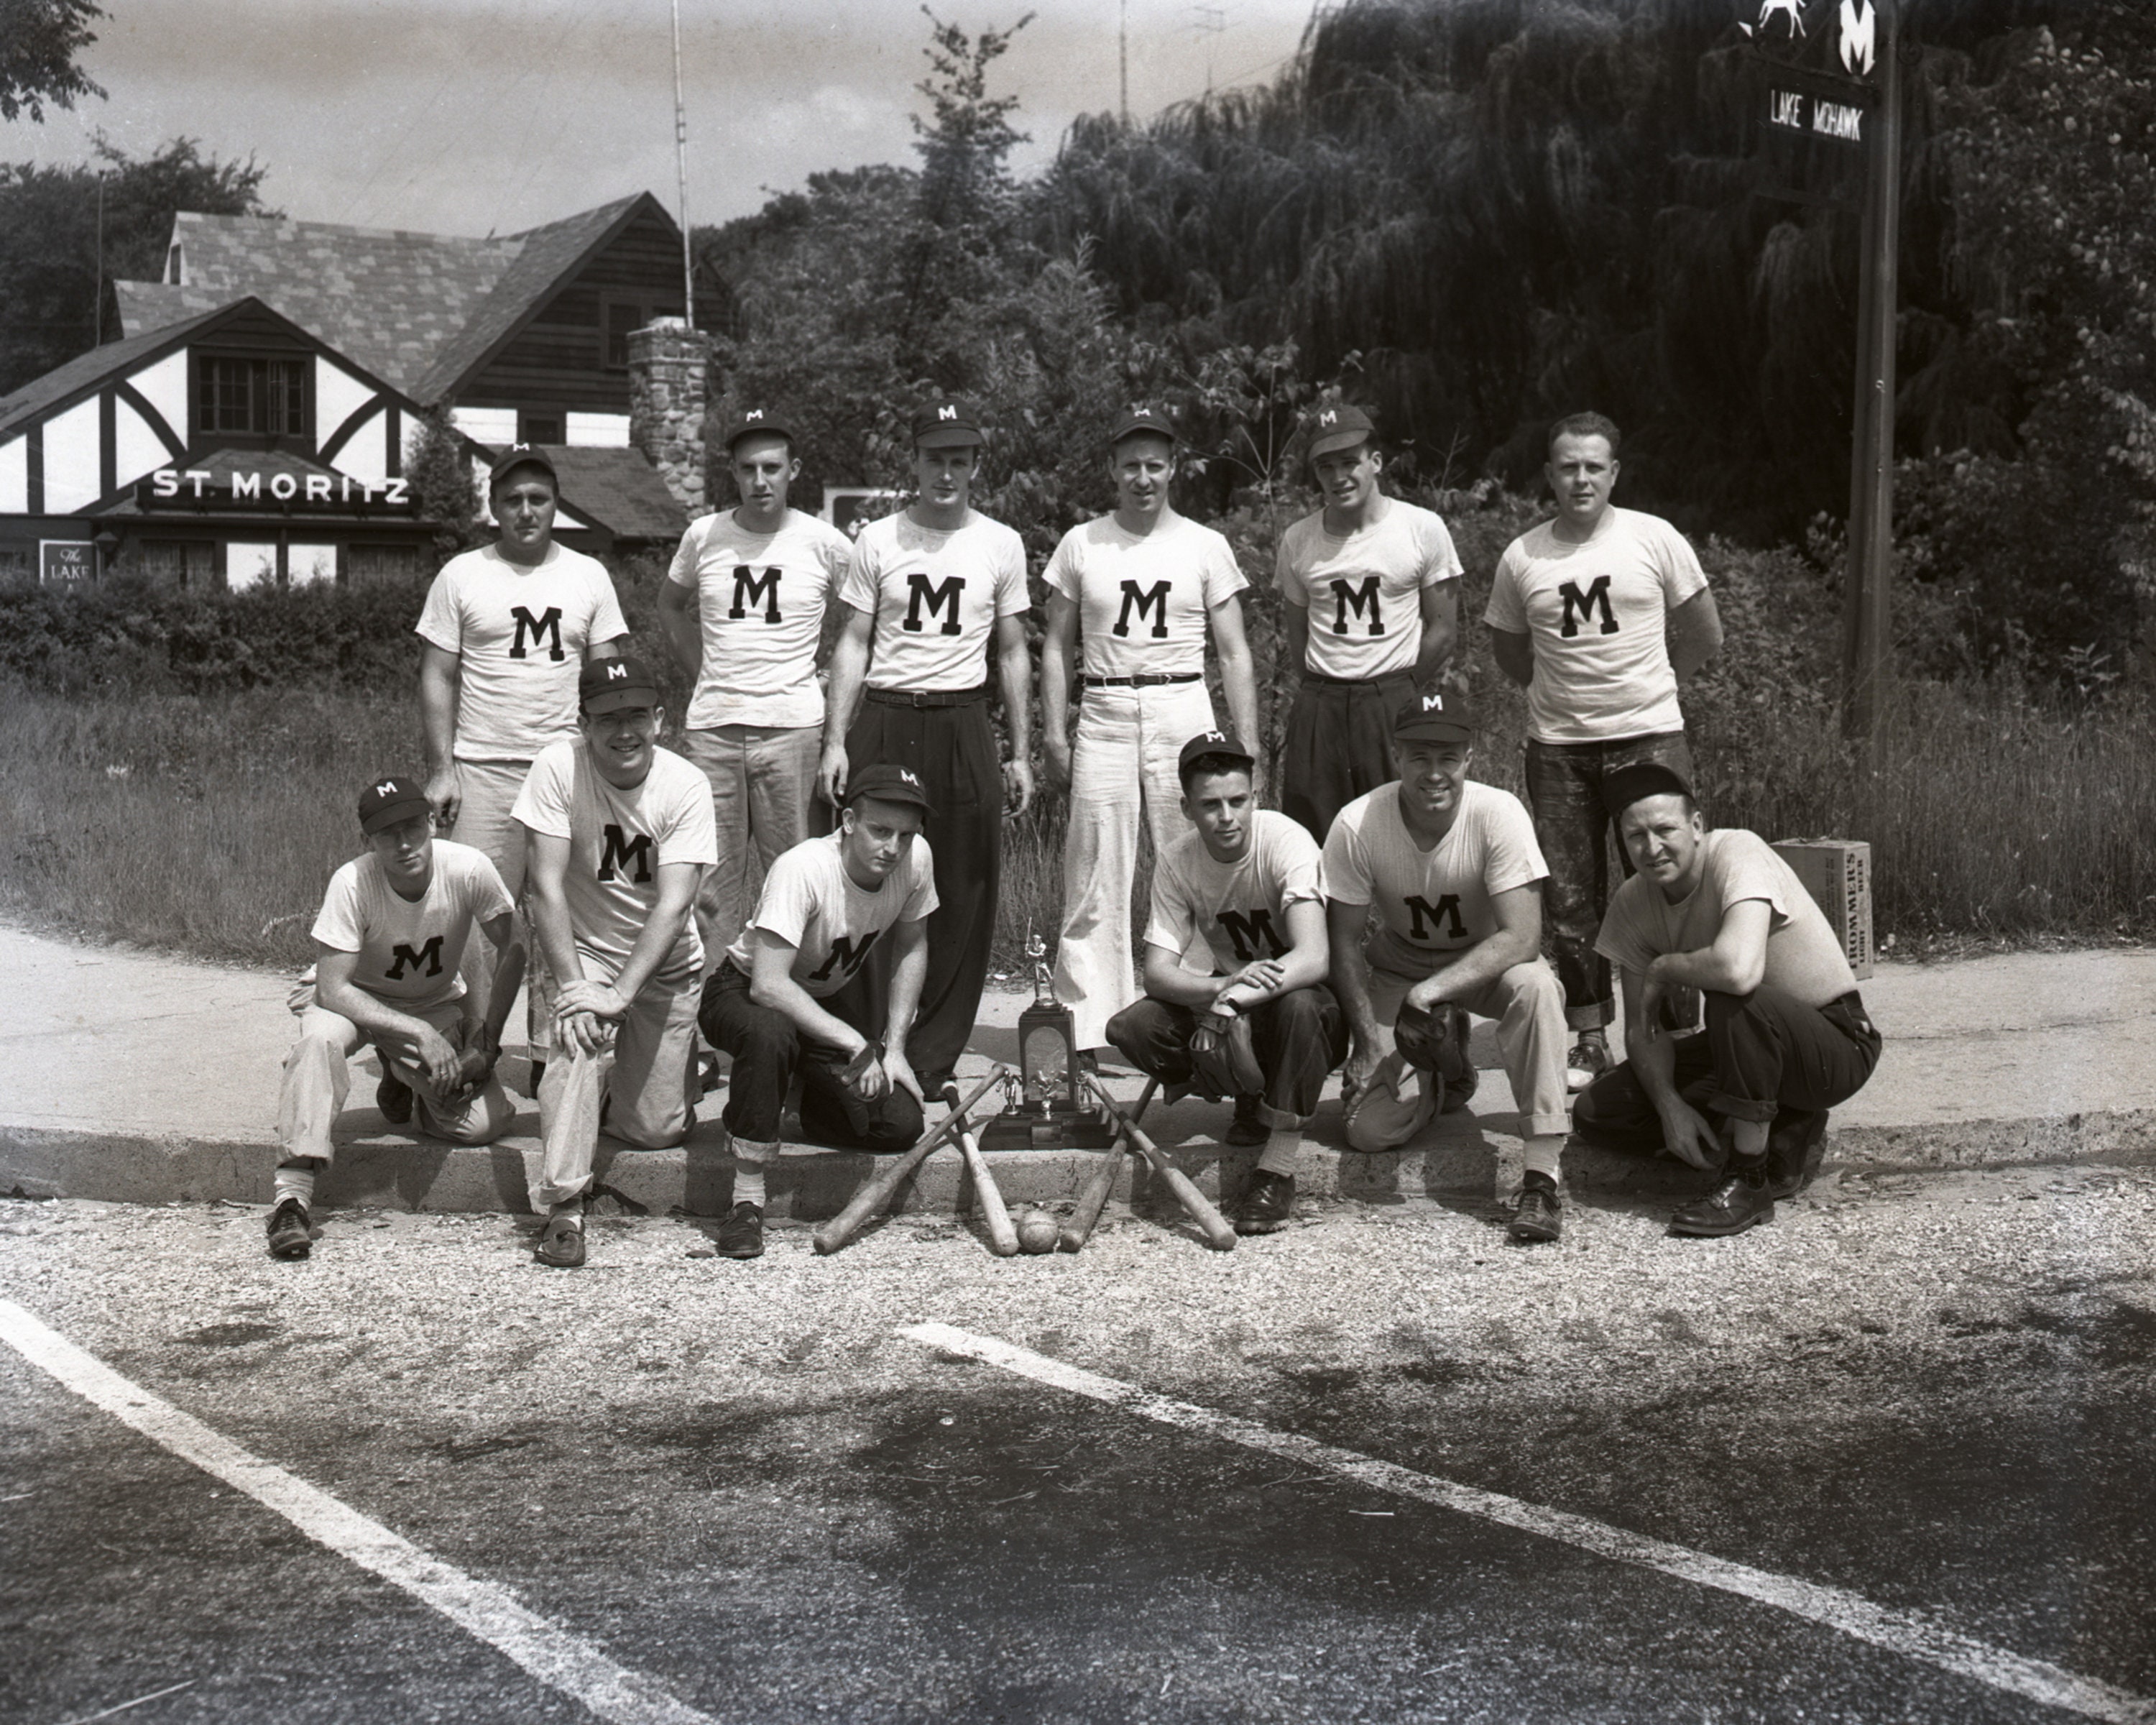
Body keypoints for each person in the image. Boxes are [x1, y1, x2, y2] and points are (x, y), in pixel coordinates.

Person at [1483, 411, 1723, 1095]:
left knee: (1669, 882)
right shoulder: (1523, 556)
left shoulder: (1654, 537)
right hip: (1559, 749)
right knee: (1570, 899)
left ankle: (1682, 1028)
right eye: (1568, 466)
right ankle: (1591, 1035)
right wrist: (1555, 692)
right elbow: (1508, 648)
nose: (1581, 478)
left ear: (1614, 472)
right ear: (1549, 475)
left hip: (1649, 736)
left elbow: (1705, 631)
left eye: (1594, 466)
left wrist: (1655, 685)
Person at [817, 398, 1033, 1094]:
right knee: (866, 877)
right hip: (886, 712)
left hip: (962, 717)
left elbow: (1012, 651)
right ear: (913, 462)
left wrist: (1020, 749)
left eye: (959, 459)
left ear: (975, 466)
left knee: (963, 884)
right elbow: (852, 640)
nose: (947, 472)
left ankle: (932, 1055)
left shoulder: (1000, 542)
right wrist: (834, 741)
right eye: (935, 457)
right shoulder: (878, 539)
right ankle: (860, 1045)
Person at [1575, 763, 1883, 1237]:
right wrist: (1670, 1107)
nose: (1652, 847)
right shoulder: (1632, 902)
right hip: (1746, 1042)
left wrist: (1665, 966)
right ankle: (1775, 1129)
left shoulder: (1737, 851)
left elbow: (1739, 971)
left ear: (1697, 827)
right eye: (1636, 835)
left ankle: (1750, 1178)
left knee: (1732, 998)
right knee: (1599, 1110)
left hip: (1834, 1045)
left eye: (1665, 829)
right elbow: (1642, 1029)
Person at [1040, 405, 1261, 1055]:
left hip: (1181, 706)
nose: (1143, 478)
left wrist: (1243, 746)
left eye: (1155, 465)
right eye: (1130, 465)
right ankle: (1085, 1028)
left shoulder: (1203, 544)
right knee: (1094, 871)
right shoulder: (1083, 542)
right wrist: (1055, 733)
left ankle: (1200, 1012)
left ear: (1173, 469)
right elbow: (1055, 645)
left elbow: (1235, 651)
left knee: (1191, 860)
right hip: (1106, 708)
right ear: (1112, 468)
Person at [1323, 690, 1574, 1245]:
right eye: (1419, 757)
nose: (1434, 773)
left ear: (1469, 759)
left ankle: (1541, 1175)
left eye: (1447, 758)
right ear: (1396, 757)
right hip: (1401, 964)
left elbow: (1523, 937)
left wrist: (1431, 993)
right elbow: (1342, 943)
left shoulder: (1498, 812)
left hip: (1485, 965)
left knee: (1538, 989)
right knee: (1368, 1130)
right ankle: (1445, 1067)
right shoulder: (1358, 822)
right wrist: (1366, 1043)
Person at [417, 444, 628, 1084]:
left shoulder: (588, 574)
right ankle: (463, 1042)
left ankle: (551, 1050)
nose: (526, 511)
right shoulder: (462, 574)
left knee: (564, 908)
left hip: (567, 767)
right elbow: (437, 674)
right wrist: (441, 768)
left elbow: (610, 675)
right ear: (495, 507)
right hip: (484, 765)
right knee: (475, 915)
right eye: (513, 500)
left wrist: (613, 765)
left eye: (538, 499)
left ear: (556, 505)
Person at [267, 775, 524, 1261]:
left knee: (481, 1124)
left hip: (429, 997)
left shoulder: (468, 867)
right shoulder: (352, 881)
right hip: (354, 998)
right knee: (317, 1045)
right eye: (388, 833)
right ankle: (292, 1199)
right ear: (369, 840)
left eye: (412, 827)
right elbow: (333, 987)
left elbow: (514, 950)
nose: (404, 843)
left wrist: (485, 1042)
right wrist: (417, 1034)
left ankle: (406, 1080)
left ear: (431, 822)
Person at [513, 656, 717, 1269]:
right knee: (577, 1039)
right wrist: (577, 986)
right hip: (589, 952)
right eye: (607, 720)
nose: (623, 732)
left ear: (660, 719)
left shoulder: (686, 785)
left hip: (666, 965)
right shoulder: (556, 766)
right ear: (584, 723)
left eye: (636, 717)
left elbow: (677, 904)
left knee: (656, 1130)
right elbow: (542, 888)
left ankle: (634, 1081)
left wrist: (622, 995)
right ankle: (564, 1208)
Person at [1104, 732, 1346, 1236]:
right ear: (1187, 808)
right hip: (1232, 992)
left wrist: (1233, 997)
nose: (1227, 816)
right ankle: (1245, 1093)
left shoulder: (1284, 839)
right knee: (1133, 1027)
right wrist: (1222, 988)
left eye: (1238, 801)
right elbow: (1158, 973)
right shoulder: (1177, 858)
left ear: (1255, 797)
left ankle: (1277, 1170)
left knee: (1302, 1007)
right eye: (1211, 805)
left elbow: (1313, 957)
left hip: (1295, 999)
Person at [698, 765, 939, 1262]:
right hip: (742, 990)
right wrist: (857, 1043)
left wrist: (894, 1048)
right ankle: (746, 1199)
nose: (893, 847)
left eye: (906, 834)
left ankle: (796, 1093)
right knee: (770, 1035)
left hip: (819, 1000)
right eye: (880, 830)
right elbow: (768, 984)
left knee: (897, 1124)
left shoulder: (916, 860)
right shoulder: (803, 867)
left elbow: (913, 946)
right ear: (848, 821)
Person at [657, 407, 855, 960]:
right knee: (707, 890)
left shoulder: (825, 542)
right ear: (734, 473)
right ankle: (710, 1023)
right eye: (748, 469)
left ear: (794, 469)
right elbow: (671, 608)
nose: (760, 481)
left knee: (795, 879)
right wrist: (707, 671)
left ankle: (788, 1016)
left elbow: (866, 623)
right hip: (714, 733)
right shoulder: (705, 535)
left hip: (792, 730)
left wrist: (832, 680)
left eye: (772, 468)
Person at [1274, 404, 1461, 842]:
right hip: (1321, 700)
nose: (1339, 477)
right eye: (1325, 467)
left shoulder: (1421, 527)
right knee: (1312, 838)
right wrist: (1324, 690)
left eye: (1349, 462)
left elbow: (1443, 630)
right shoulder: (1299, 538)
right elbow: (1297, 636)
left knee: (1401, 833)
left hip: (1391, 694)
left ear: (1375, 463)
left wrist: (1400, 690)